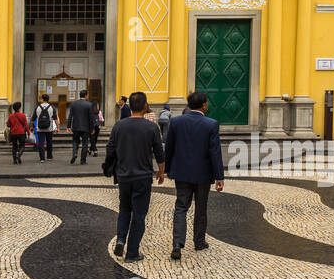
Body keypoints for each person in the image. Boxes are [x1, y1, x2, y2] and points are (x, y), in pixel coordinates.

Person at [104, 91, 165, 263]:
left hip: (124, 175)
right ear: (145, 106)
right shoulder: (152, 127)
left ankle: (121, 239)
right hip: (143, 176)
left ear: (129, 106)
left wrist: (112, 166)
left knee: (124, 209)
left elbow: (110, 148)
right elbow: (159, 153)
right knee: (139, 214)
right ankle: (132, 252)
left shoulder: (118, 126)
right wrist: (161, 172)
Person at [164, 91, 224, 258]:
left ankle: (177, 243)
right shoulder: (211, 124)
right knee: (201, 208)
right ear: (204, 105)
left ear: (189, 105)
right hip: (203, 174)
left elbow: (169, 147)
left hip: (182, 172)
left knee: (181, 207)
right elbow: (215, 152)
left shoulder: (176, 121)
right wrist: (219, 176)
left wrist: (167, 168)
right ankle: (199, 242)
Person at [67, 90, 95, 165]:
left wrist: (68, 126)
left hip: (76, 127)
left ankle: (75, 153)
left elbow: (70, 116)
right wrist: (92, 128)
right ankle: (83, 160)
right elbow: (91, 117)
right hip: (86, 127)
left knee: (75, 141)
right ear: (85, 95)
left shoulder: (73, 104)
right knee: (85, 144)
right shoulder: (89, 104)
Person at [33, 94, 56, 162]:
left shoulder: (37, 107)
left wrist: (31, 127)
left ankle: (42, 158)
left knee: (41, 143)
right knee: (49, 142)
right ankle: (49, 157)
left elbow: (33, 118)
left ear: (42, 99)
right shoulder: (52, 107)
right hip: (49, 128)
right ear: (48, 99)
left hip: (40, 128)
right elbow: (55, 118)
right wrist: (57, 127)